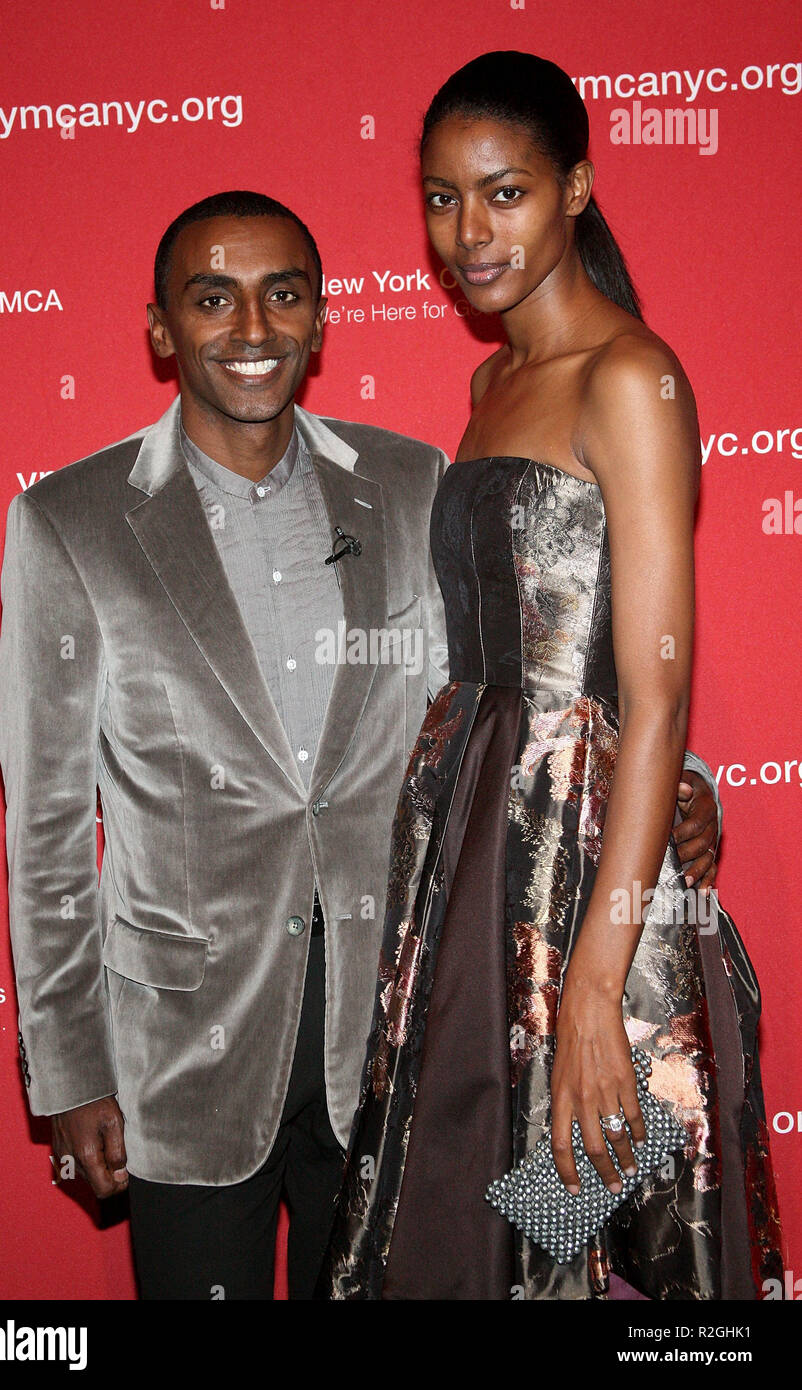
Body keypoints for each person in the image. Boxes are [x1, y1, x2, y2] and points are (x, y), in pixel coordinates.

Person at [0, 188, 723, 1302]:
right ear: (159, 327)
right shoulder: (72, 522)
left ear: (322, 320)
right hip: (184, 1054)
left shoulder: (404, 481)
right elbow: (46, 824)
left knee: (511, 1244)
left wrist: (667, 774)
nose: (251, 329)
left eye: (281, 294)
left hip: (396, 1036)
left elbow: (508, 679)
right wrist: (71, 1069)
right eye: (212, 298)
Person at [320, 52, 783, 1301]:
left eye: (504, 193)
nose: (467, 234)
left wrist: (590, 987)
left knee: (591, 1166)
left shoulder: (630, 378)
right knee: (474, 1179)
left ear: (575, 186)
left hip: (581, 869)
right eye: (439, 198)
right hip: (468, 843)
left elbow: (650, 689)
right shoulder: (489, 382)